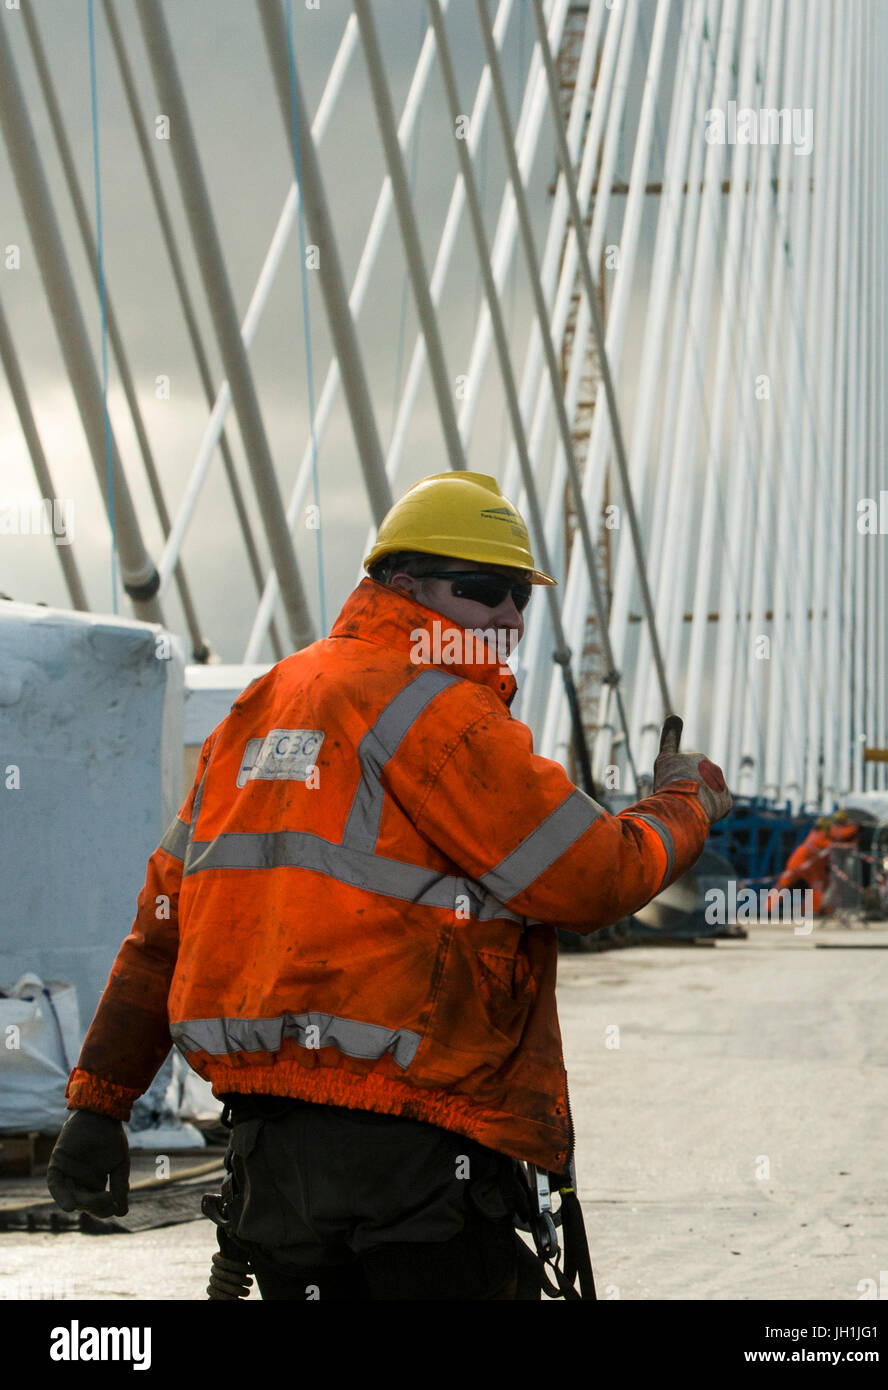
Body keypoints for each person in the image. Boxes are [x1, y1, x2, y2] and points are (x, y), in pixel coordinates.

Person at [47, 471, 731, 1300]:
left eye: (520, 596)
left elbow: (163, 923)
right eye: (483, 591)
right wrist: (684, 803)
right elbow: (595, 877)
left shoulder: (255, 712)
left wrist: (101, 1102)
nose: (509, 617)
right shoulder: (442, 713)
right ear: (400, 586)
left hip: (273, 1158)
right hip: (412, 1146)